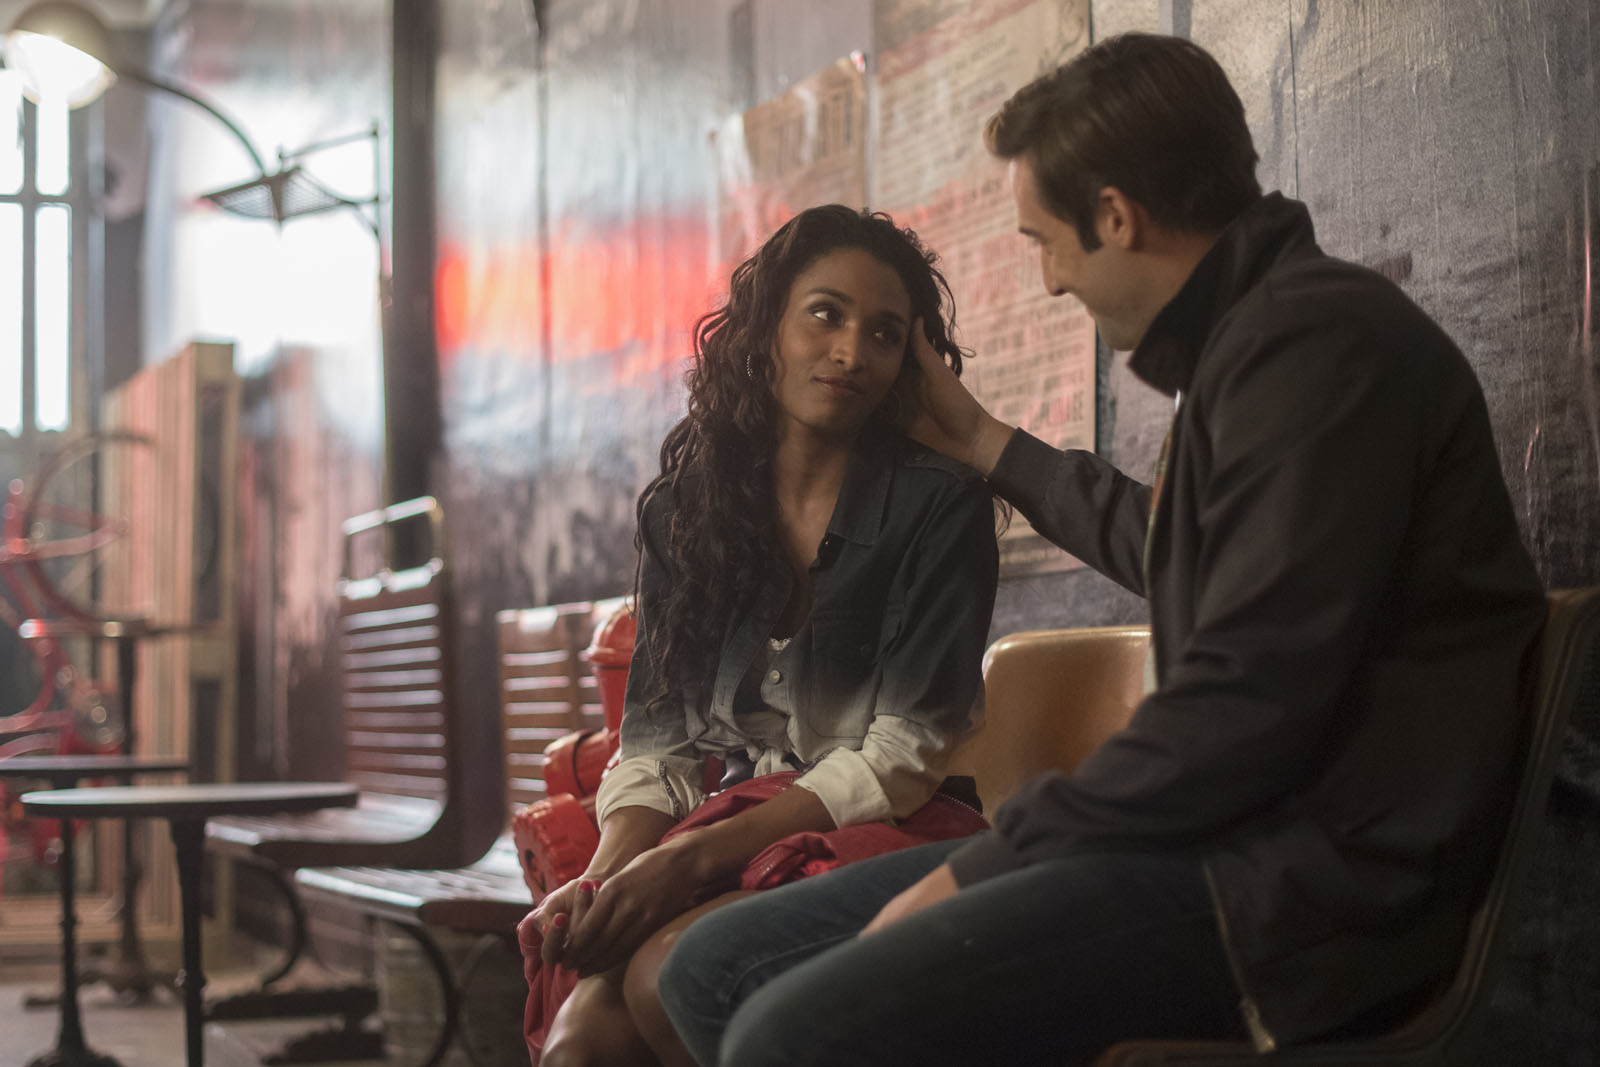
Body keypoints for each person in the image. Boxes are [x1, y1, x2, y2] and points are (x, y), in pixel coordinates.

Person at [656, 32, 1546, 1066]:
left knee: (785, 1027)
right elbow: (1183, 552)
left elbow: (1239, 707)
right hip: (1224, 849)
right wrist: (984, 442)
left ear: (1116, 215)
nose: (1044, 281)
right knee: (708, 968)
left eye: (1044, 240)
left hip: (1302, 890)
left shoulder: (1313, 351)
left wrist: (983, 868)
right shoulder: (1259, 347)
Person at [522, 204, 1000, 1067]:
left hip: (891, 823)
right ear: (766, 324)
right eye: (826, 313)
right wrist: (607, 874)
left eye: (885, 333)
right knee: (577, 1046)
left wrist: (692, 857)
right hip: (733, 827)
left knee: (666, 977)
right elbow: (657, 744)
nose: (852, 351)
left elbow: (902, 757)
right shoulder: (687, 510)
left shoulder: (939, 505)